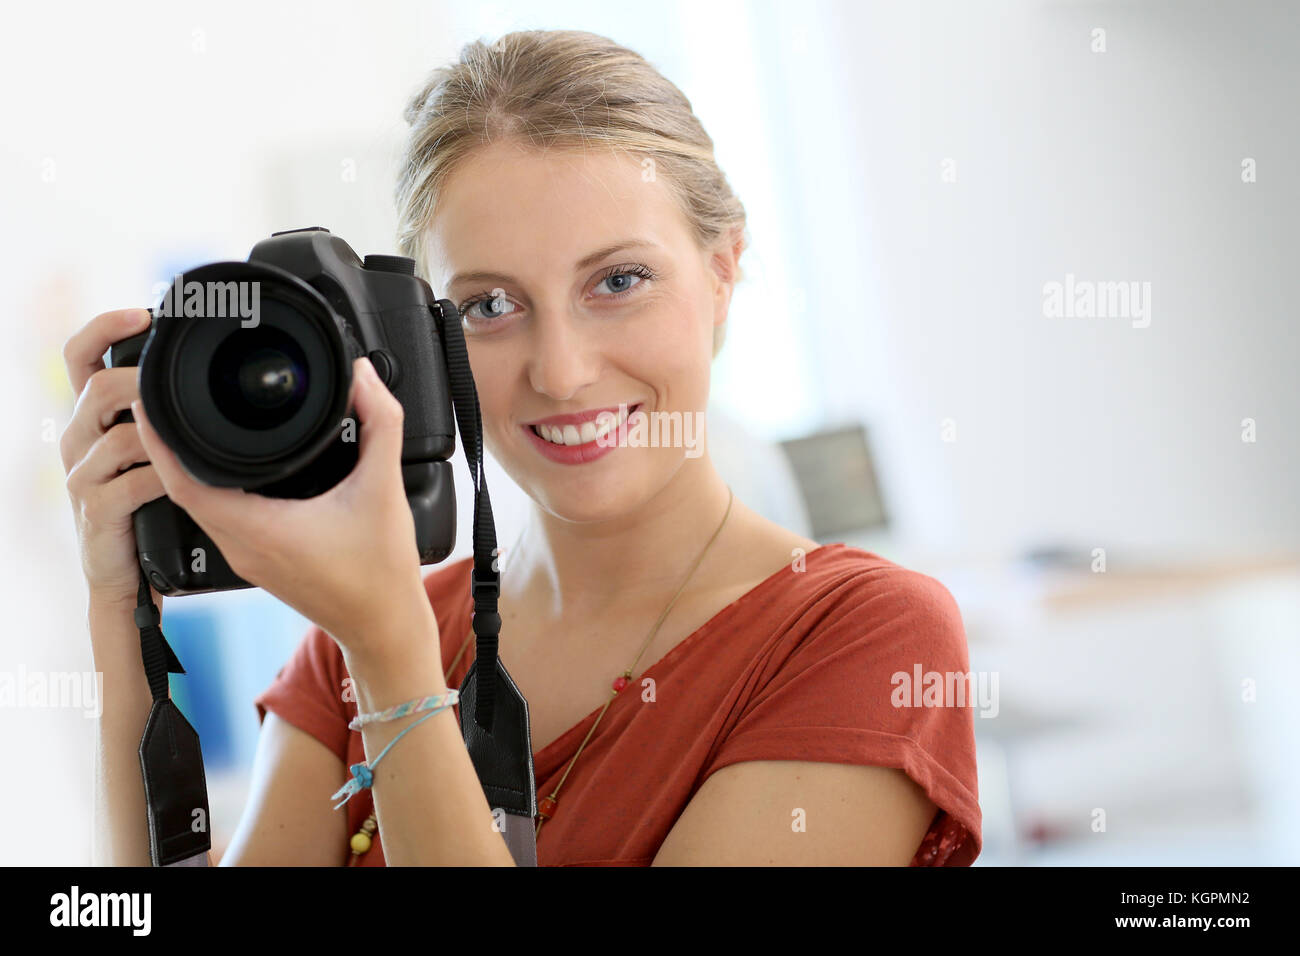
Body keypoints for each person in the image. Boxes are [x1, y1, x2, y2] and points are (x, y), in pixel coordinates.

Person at [60, 29, 980, 866]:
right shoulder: (356, 637)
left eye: (618, 280)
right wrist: (120, 603)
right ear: (425, 341)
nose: (564, 372)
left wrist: (394, 663)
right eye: (489, 306)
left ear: (723, 272)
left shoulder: (863, 635)